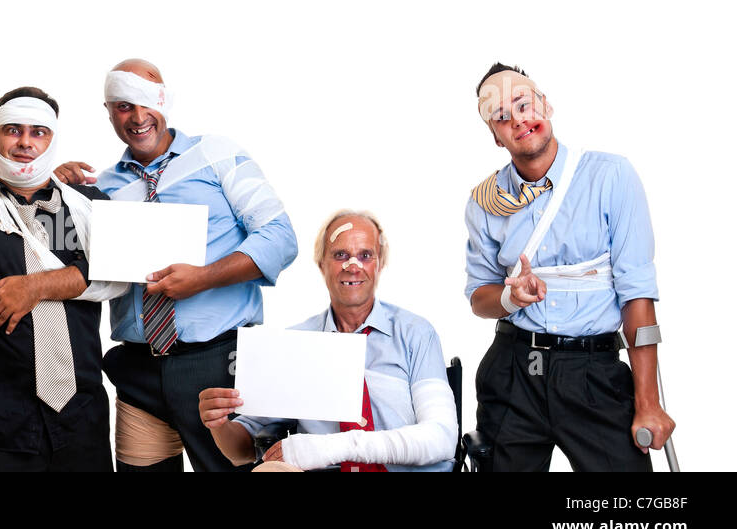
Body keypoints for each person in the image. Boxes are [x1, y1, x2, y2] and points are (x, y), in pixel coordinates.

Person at [55, 59, 298, 472]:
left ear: (165, 100)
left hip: (218, 361)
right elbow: (68, 264)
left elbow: (279, 238)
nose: (137, 117)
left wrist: (203, 278)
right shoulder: (103, 189)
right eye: (122, 106)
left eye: (145, 101)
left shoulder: (217, 155)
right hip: (138, 370)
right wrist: (54, 186)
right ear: (109, 111)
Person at [464, 63, 674, 471]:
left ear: (545, 104)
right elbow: (479, 297)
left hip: (593, 374)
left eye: (523, 104)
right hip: (514, 371)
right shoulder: (484, 203)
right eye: (501, 116)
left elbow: (637, 292)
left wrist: (648, 402)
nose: (518, 119)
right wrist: (509, 296)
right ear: (494, 135)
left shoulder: (611, 176)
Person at [0, 87, 128, 471]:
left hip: (81, 415)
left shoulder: (86, 206)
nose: (25, 143)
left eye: (38, 132)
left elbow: (121, 273)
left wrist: (35, 286)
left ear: (53, 138)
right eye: (12, 130)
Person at [198, 211, 457, 471]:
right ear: (321, 263)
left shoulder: (415, 333)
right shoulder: (294, 345)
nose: (352, 266)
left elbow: (441, 438)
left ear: (380, 263)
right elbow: (241, 451)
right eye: (340, 255)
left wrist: (332, 447)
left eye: (365, 255)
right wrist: (219, 424)